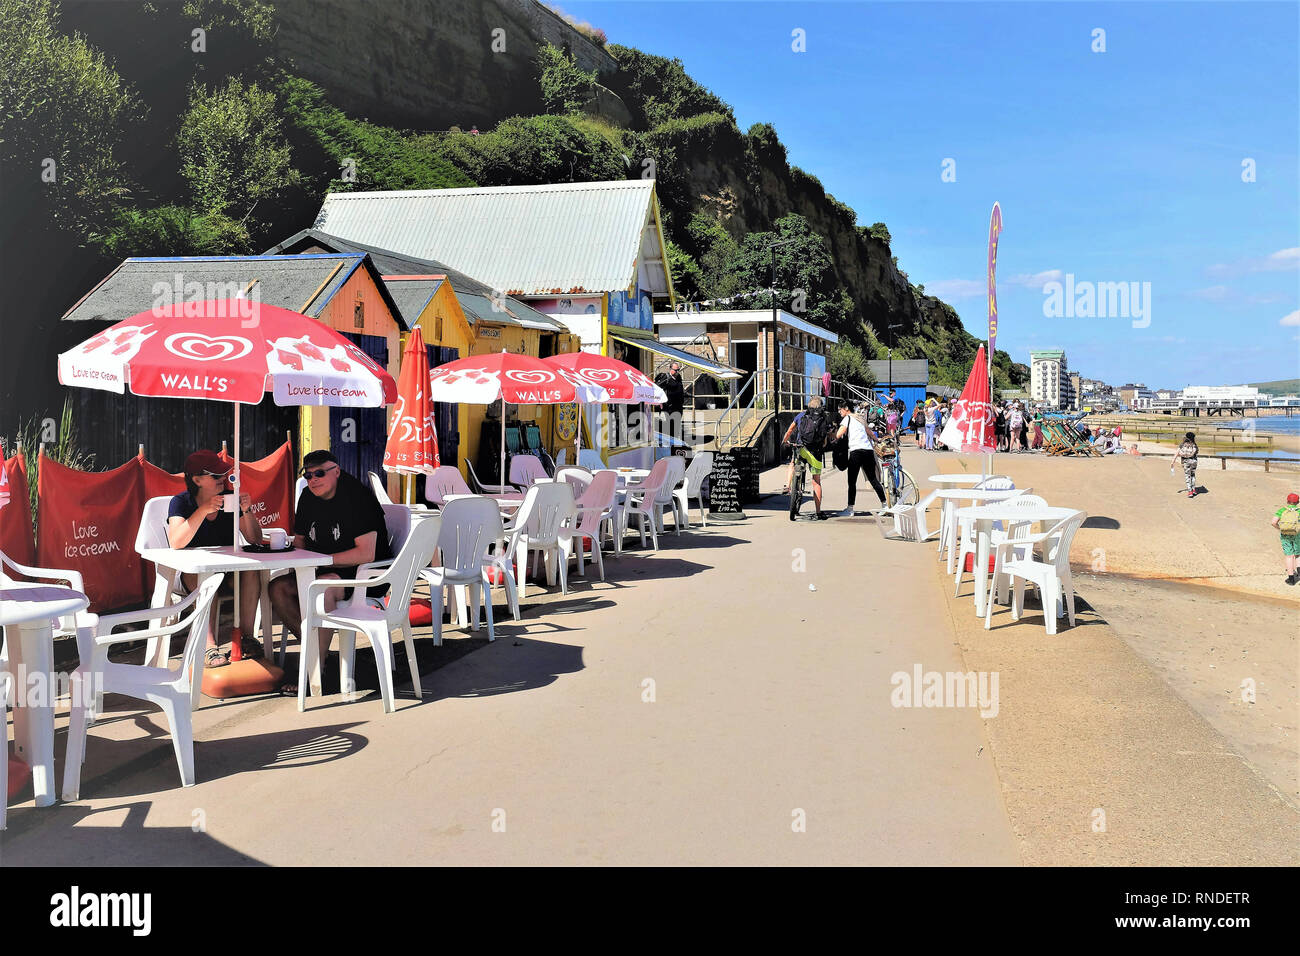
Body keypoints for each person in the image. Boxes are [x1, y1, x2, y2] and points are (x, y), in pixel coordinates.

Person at [269, 450, 393, 693]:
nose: (313, 479)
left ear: (336, 471)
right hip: (322, 569)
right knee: (278, 587)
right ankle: (314, 649)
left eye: (319, 473)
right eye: (308, 475)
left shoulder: (357, 497)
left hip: (364, 575)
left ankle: (316, 671)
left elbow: (365, 554)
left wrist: (322, 562)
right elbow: (301, 540)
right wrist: (298, 562)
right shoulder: (307, 496)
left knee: (322, 589)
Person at [167, 450, 265, 668]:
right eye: (216, 476)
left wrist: (247, 511)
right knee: (200, 573)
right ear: (197, 480)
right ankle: (209, 645)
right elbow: (176, 542)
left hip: (227, 573)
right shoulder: (181, 502)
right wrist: (202, 511)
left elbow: (255, 539)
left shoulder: (230, 498)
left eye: (224, 474)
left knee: (251, 570)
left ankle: (246, 638)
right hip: (189, 576)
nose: (223, 479)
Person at [781, 396, 832, 519]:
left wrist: (785, 441)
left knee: (793, 463)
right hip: (816, 452)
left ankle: (789, 486)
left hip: (801, 448)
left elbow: (790, 430)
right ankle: (818, 512)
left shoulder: (801, 415)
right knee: (816, 481)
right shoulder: (825, 417)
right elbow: (827, 435)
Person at [834, 398, 887, 516]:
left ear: (846, 409)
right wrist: (877, 440)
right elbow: (870, 432)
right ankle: (884, 505)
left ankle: (850, 509)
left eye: (840, 409)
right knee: (873, 479)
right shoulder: (860, 418)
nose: (839, 412)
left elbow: (838, 435)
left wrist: (830, 436)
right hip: (868, 451)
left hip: (856, 452)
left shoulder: (847, 419)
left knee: (852, 481)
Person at [1270, 492, 1300, 585]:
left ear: (1287, 501)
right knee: (1298, 554)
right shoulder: (1299, 511)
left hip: (1285, 535)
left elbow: (1273, 522)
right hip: (1297, 534)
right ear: (1298, 502)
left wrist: (1280, 529)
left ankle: (1291, 579)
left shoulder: (1282, 510)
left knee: (1289, 555)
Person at [655, 362, 686, 444]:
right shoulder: (665, 378)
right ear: (670, 369)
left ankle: (674, 443)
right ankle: (667, 443)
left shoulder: (679, 377)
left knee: (676, 426)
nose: (677, 372)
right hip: (669, 407)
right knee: (669, 426)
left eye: (678, 370)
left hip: (678, 407)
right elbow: (658, 389)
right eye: (675, 370)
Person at [1172, 431, 1199, 498]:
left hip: (1186, 462)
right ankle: (1193, 490)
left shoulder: (1183, 444)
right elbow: (1195, 453)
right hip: (1194, 462)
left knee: (1187, 476)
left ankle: (1190, 491)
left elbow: (1177, 453)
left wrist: (1173, 462)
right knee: (1193, 475)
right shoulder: (1194, 445)